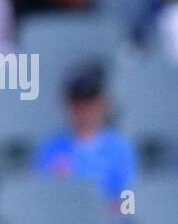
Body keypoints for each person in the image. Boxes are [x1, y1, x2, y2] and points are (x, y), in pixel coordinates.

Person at [33, 65, 136, 212]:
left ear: (104, 104)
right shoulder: (50, 148)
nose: (84, 111)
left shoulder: (120, 148)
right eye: (77, 104)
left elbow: (129, 203)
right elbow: (37, 199)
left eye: (90, 103)